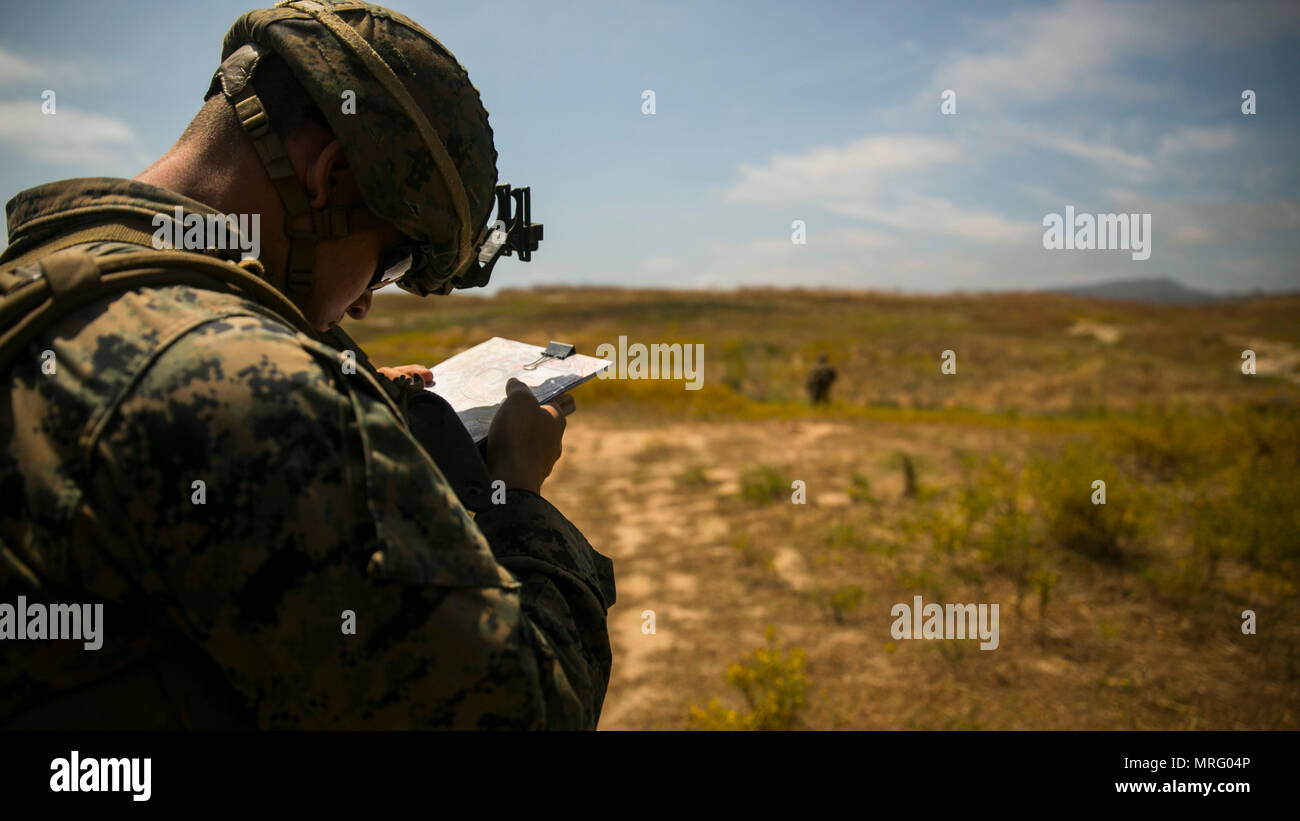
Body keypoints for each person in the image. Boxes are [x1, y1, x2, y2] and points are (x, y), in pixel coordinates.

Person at [0, 0, 614, 729]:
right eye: (388, 263)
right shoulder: (255, 391)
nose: (363, 308)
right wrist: (518, 496)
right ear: (329, 177)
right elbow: (530, 713)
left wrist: (356, 399)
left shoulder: (47, 281)